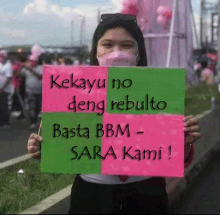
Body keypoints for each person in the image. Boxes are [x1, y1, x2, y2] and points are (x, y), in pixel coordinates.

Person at [27, 13, 201, 214]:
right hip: (91, 195)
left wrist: (185, 142)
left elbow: (175, 156)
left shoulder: (159, 91)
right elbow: (62, 144)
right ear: (96, 51)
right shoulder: (72, 92)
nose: (116, 52)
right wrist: (44, 150)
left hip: (147, 194)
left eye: (127, 45)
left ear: (139, 51)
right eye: (107, 44)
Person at [21, 53, 43, 130]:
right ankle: (32, 122)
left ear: (36, 61)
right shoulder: (26, 69)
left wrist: (32, 70)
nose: (32, 62)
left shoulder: (40, 68)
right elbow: (20, 75)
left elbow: (40, 76)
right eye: (30, 61)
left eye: (33, 61)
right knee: (31, 106)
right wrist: (21, 67)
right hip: (29, 91)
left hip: (39, 91)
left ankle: (35, 119)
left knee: (37, 107)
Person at [0, 50, 13, 129]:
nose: (1, 58)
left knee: (4, 106)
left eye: (2, 57)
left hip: (4, 90)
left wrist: (2, 88)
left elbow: (9, 78)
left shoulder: (8, 66)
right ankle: (1, 122)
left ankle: (6, 122)